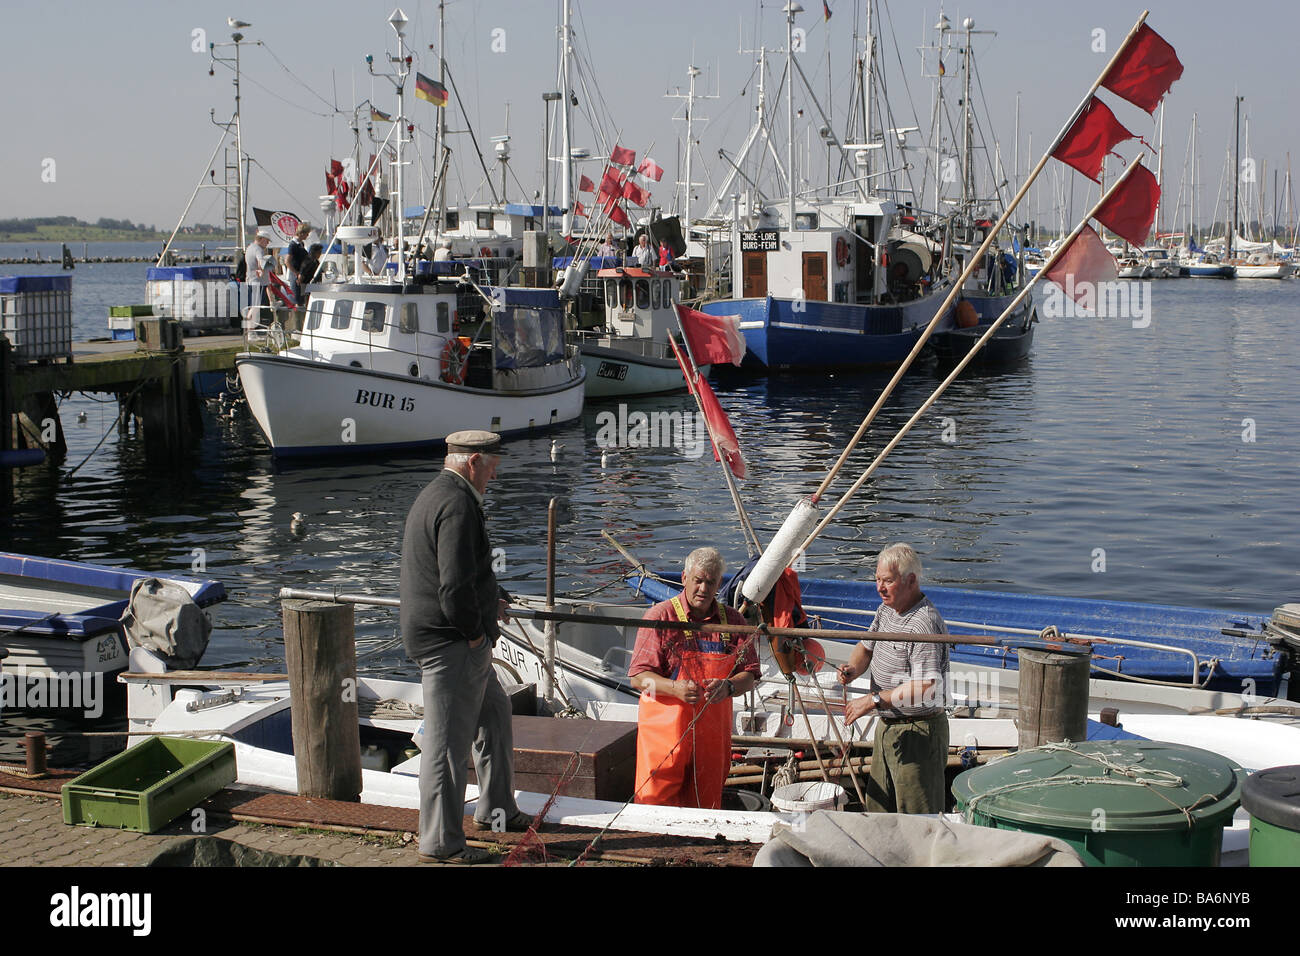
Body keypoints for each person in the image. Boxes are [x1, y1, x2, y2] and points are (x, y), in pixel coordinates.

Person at [400, 430, 529, 864]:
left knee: (494, 712)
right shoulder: (457, 505)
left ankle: (497, 809)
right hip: (450, 642)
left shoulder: (437, 494)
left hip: (447, 636)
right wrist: (476, 632)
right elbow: (453, 588)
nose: (493, 477)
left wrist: (493, 596)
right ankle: (440, 844)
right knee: (446, 746)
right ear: (474, 461)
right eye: (492, 468)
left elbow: (462, 571)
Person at [628, 547, 759, 809]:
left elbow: (752, 674)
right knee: (655, 802)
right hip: (664, 740)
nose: (703, 588)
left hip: (711, 739)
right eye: (698, 580)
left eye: (710, 582)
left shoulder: (732, 621)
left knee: (706, 804)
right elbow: (639, 679)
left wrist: (730, 686)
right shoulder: (659, 617)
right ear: (684, 578)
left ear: (719, 584)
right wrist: (673, 688)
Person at [837, 542, 951, 814]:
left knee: (917, 819)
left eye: (888, 581)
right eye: (877, 579)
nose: (879, 587)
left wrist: (874, 700)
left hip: (918, 733)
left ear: (910, 580)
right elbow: (866, 647)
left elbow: (926, 687)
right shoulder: (885, 610)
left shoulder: (924, 623)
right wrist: (853, 669)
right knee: (880, 810)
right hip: (888, 729)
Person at [244, 228, 274, 317]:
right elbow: (261, 260)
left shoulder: (249, 247)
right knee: (255, 307)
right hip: (257, 281)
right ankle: (249, 328)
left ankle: (249, 329)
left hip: (249, 280)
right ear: (262, 239)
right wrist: (262, 270)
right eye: (267, 241)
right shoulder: (258, 249)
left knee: (253, 306)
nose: (268, 243)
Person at [286, 222, 312, 301]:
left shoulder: (301, 244)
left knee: (302, 297)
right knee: (296, 297)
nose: (307, 236)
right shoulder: (293, 245)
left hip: (302, 274)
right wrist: (295, 272)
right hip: (296, 275)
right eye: (306, 234)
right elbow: (287, 261)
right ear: (301, 233)